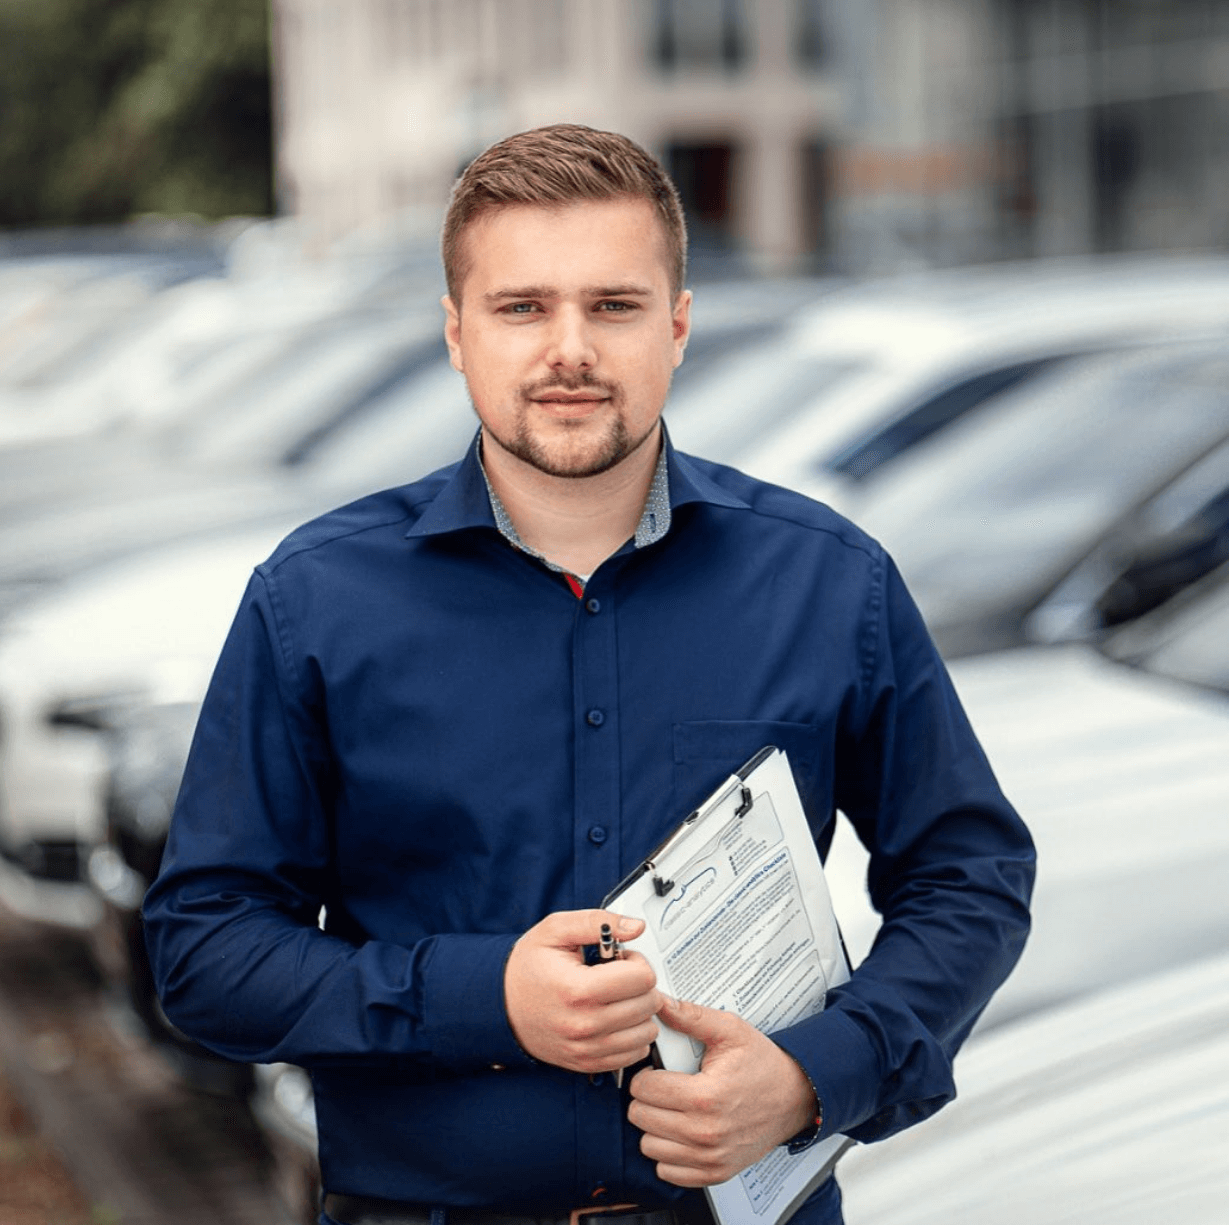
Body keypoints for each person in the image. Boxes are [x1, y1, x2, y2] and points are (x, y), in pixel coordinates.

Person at [143, 124, 1035, 1225]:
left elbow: (969, 876)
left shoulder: (827, 582)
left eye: (612, 306)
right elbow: (206, 943)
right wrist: (478, 999)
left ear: (677, 325)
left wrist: (816, 1074)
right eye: (522, 307)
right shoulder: (316, 600)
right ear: (457, 333)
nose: (570, 347)